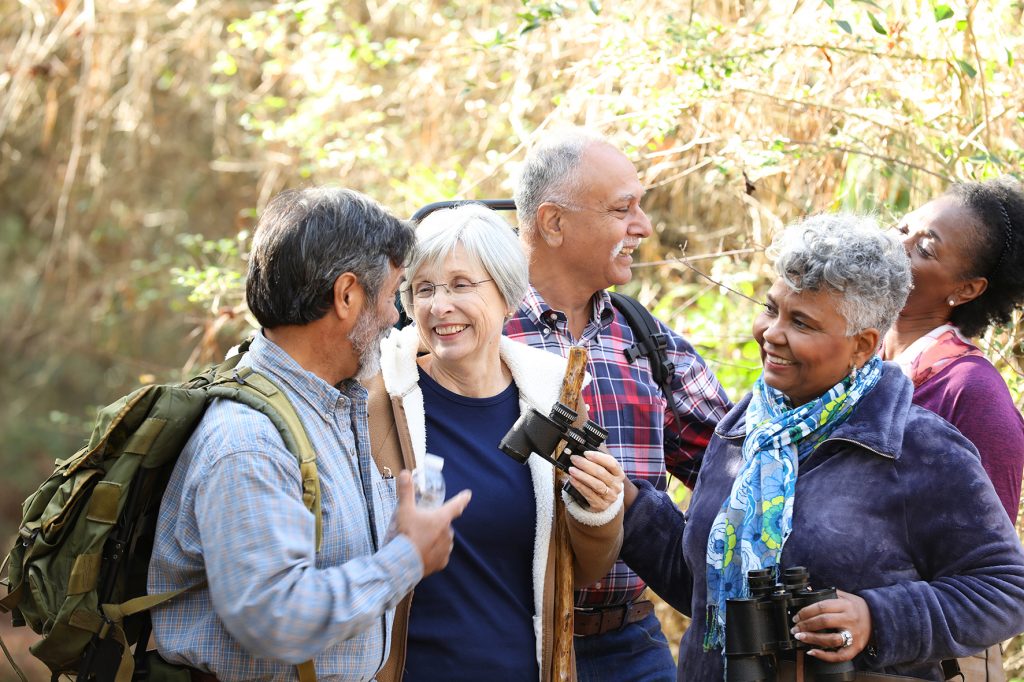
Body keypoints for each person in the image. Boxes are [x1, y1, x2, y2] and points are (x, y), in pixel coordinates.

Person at [619, 214, 1024, 681]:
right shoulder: (745, 429)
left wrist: (876, 619)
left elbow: (1004, 590)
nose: (771, 333)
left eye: (802, 323)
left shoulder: (917, 447)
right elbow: (703, 589)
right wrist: (631, 509)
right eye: (771, 309)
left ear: (862, 345)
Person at [148, 188, 472, 681]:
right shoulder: (249, 442)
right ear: (346, 296)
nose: (394, 317)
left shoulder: (332, 407)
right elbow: (277, 619)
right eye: (389, 296)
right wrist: (407, 558)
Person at [505, 128, 731, 681]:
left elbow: (731, 472)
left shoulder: (645, 341)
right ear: (553, 222)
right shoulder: (477, 331)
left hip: (627, 643)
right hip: (504, 638)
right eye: (622, 208)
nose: (644, 227)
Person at [366, 203, 625, 681]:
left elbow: (578, 571)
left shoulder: (551, 396)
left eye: (461, 285)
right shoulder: (380, 399)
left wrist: (600, 510)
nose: (439, 305)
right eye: (424, 289)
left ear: (507, 294)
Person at [882, 177, 1024, 523]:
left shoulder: (974, 394)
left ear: (966, 290)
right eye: (902, 228)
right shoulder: (845, 350)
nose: (897, 244)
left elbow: (989, 565)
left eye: (925, 249)